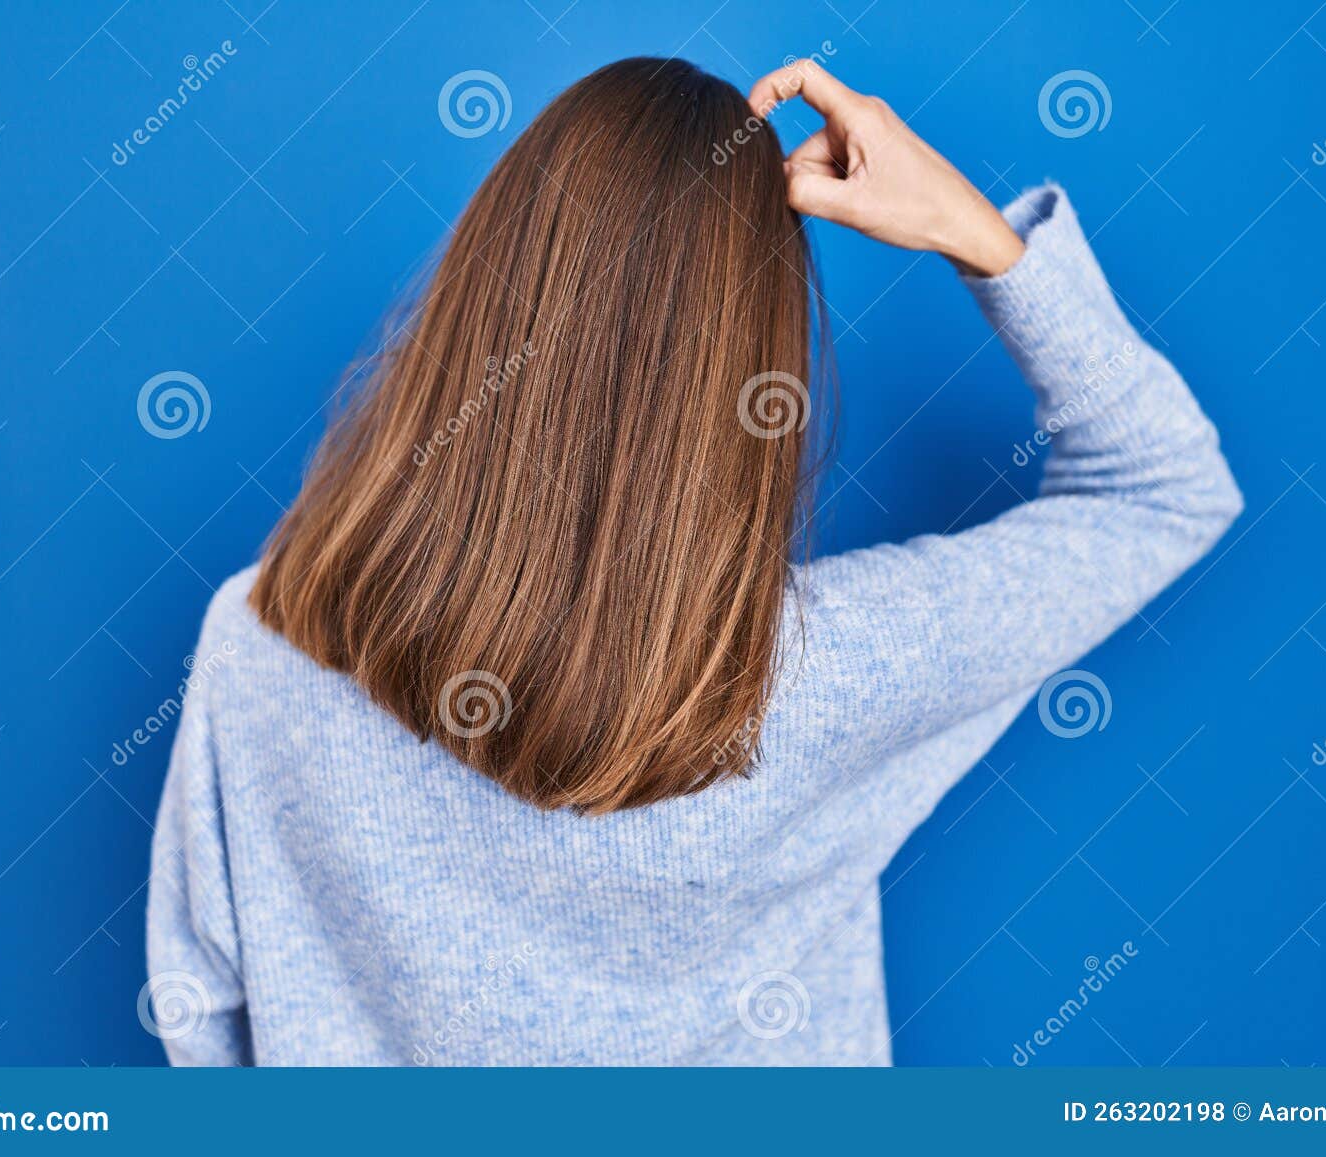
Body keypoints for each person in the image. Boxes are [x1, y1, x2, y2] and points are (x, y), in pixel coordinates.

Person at [146, 57, 1242, 1065]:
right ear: (757, 371)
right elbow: (1165, 485)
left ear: (482, 291)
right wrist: (976, 236)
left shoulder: (257, 645)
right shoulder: (830, 673)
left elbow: (200, 1011)